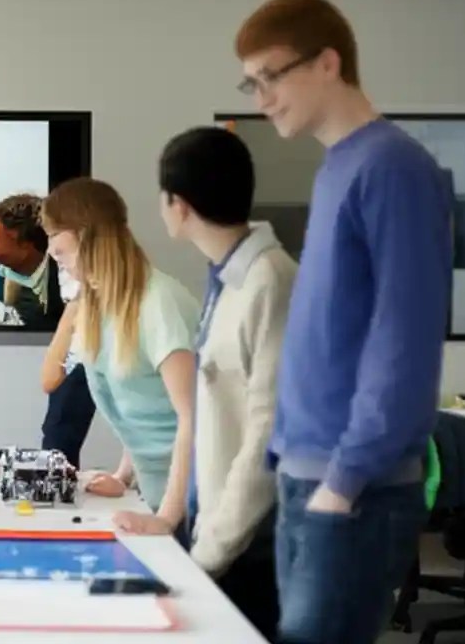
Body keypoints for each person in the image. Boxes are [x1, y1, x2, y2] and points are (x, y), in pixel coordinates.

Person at [235, 0, 452, 643]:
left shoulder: (393, 166)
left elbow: (404, 340)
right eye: (251, 83)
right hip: (304, 475)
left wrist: (345, 481)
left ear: (327, 63)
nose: (261, 99)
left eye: (270, 76)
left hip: (350, 488)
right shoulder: (336, 169)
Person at [157, 126, 293, 640]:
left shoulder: (270, 280)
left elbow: (266, 437)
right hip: (218, 529)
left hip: (250, 542)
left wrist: (209, 555)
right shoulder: (227, 278)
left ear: (178, 204)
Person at [40, 178, 200, 522]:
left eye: (56, 236)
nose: (52, 251)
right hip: (157, 495)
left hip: (196, 504)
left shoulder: (160, 303)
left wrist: (167, 520)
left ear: (87, 234)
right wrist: (123, 476)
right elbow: (135, 402)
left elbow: (193, 416)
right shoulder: (100, 305)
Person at [0, 193, 96, 468]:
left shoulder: (71, 272)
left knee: (61, 429)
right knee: (58, 429)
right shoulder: (11, 276)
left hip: (88, 348)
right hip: (77, 348)